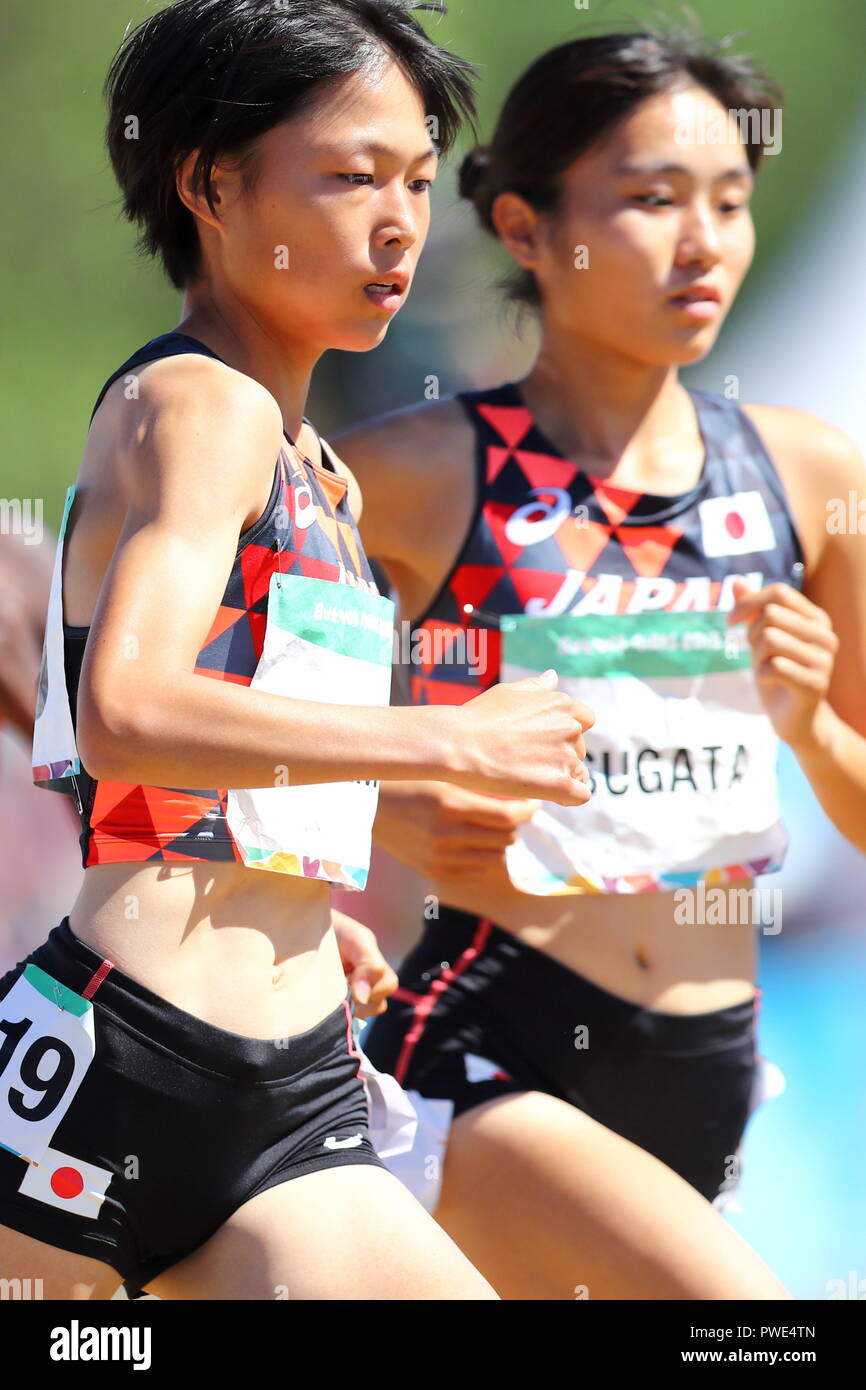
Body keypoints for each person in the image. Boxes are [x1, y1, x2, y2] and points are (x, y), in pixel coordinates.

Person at [0, 0, 597, 1302]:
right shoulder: (198, 404)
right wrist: (447, 735)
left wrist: (293, 885)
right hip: (121, 1061)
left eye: (418, 181)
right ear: (209, 183)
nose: (397, 222)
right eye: (347, 176)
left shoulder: (312, 464)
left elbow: (145, 756)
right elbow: (127, 706)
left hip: (289, 1093)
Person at [335, 29, 866, 1299]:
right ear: (524, 228)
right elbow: (188, 721)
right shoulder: (409, 477)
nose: (703, 245)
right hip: (486, 1045)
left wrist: (808, 730)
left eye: (729, 204)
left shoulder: (810, 477)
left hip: (713, 1072)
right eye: (649, 200)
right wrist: (384, 799)